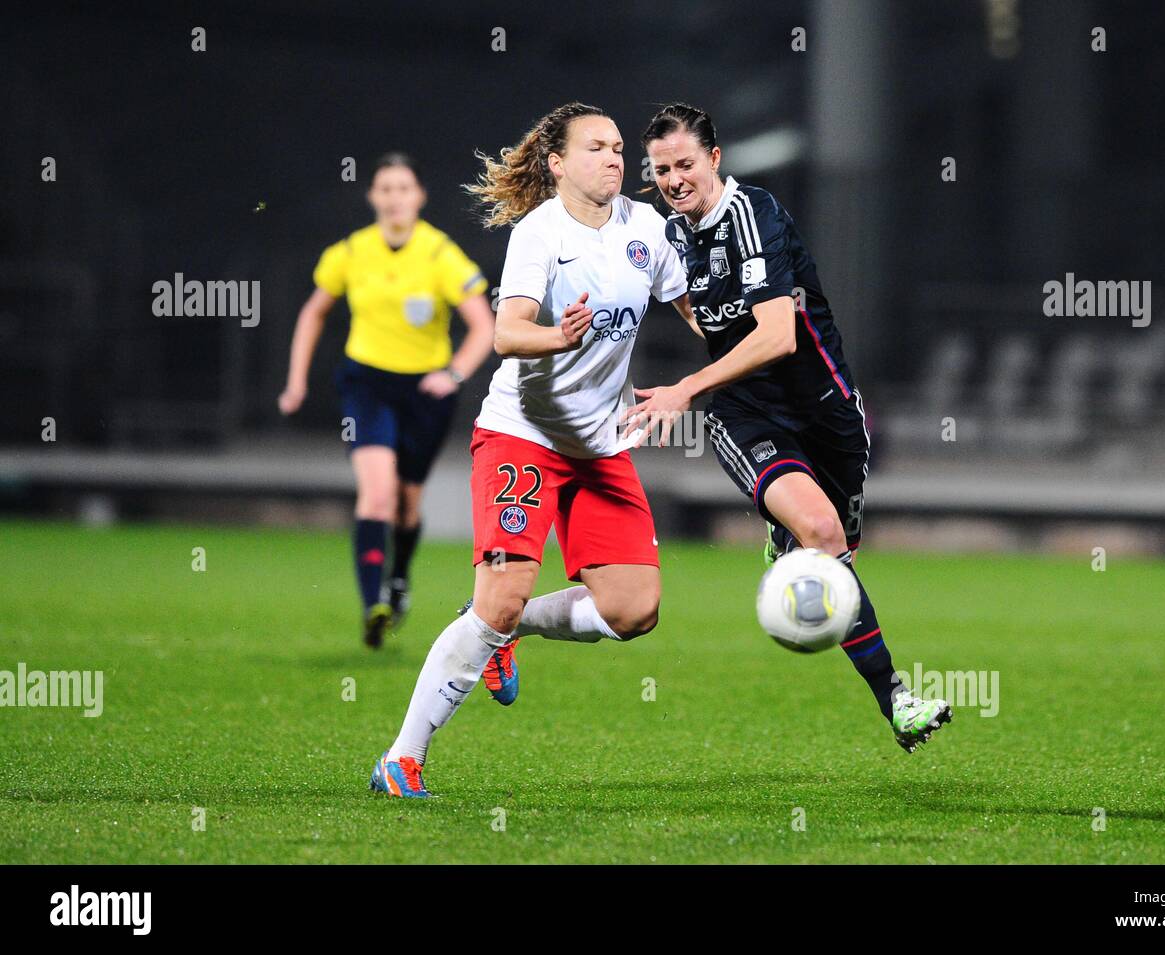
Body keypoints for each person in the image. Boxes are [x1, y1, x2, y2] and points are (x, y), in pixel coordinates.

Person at [370, 103, 689, 797]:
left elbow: (691, 304)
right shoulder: (540, 234)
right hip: (525, 433)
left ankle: (509, 631)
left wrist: (742, 346)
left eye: (617, 147)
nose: (616, 158)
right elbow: (509, 332)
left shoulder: (648, 229)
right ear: (556, 164)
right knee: (500, 599)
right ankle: (402, 756)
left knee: (634, 608)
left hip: (599, 445)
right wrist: (559, 336)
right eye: (597, 147)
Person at [631, 103, 952, 753]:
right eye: (661, 169)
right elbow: (690, 303)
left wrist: (686, 385)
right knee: (822, 531)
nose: (673, 179)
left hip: (830, 412)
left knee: (838, 556)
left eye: (685, 163)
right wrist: (707, 381)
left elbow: (778, 335)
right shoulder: (669, 235)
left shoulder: (754, 216)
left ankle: (785, 536)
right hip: (745, 414)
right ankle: (899, 700)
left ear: (715, 159)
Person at [278, 153, 495, 649]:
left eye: (404, 188)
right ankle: (372, 602)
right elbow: (313, 313)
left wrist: (454, 373)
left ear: (419, 196)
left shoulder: (441, 255)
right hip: (367, 385)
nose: (395, 198)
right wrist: (296, 382)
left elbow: (484, 325)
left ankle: (398, 578)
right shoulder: (350, 253)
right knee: (376, 493)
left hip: (425, 392)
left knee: (405, 504)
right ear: (373, 197)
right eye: (385, 189)